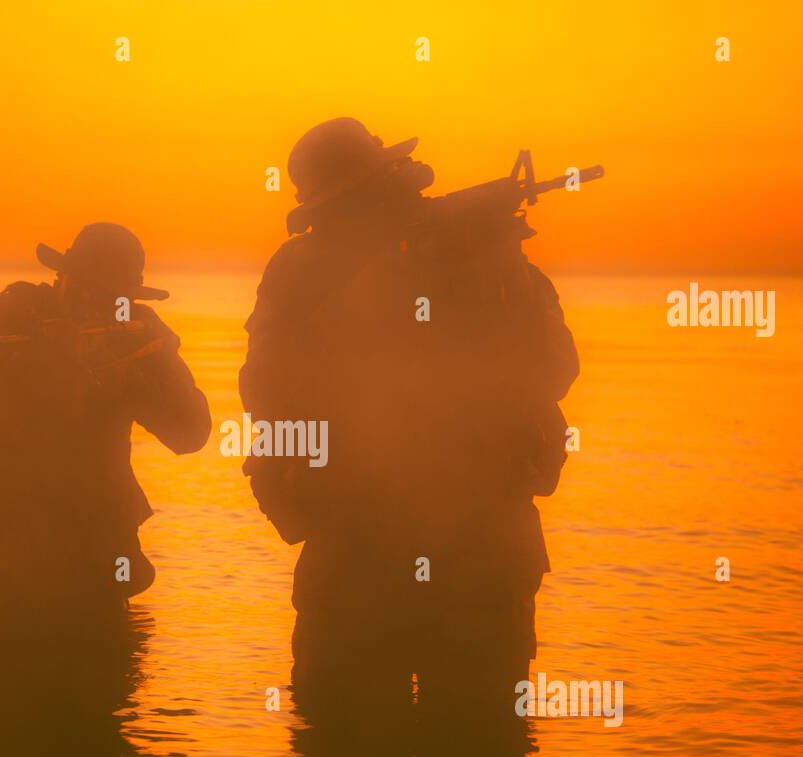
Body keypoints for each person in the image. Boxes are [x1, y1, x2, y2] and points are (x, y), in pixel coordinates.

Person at [239, 117, 580, 723]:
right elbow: (267, 389)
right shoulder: (307, 272)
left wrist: (484, 272)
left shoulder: (485, 259)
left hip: (451, 551)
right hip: (385, 547)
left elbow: (551, 373)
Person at [0, 223, 211, 628]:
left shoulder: (137, 333)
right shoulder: (9, 315)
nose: (94, 304)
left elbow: (191, 433)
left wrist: (132, 374)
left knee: (102, 678)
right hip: (0, 539)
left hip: (94, 545)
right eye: (85, 289)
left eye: (112, 297)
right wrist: (29, 365)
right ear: (62, 278)